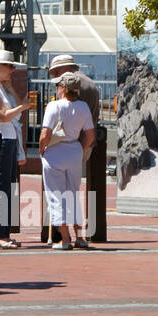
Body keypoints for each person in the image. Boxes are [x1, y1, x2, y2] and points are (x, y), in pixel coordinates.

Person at [0, 49, 32, 249]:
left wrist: (12, 90)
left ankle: (2, 233)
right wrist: (23, 107)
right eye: (9, 66)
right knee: (0, 187)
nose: (12, 70)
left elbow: (13, 111)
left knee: (7, 187)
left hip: (8, 139)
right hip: (0, 140)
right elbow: (3, 115)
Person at [46, 53, 101, 244]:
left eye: (55, 74)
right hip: (80, 148)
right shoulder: (90, 84)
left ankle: (63, 238)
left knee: (57, 194)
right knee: (73, 192)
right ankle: (79, 236)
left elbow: (46, 132)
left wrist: (43, 149)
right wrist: (80, 148)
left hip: (62, 147)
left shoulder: (59, 103)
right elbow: (92, 127)